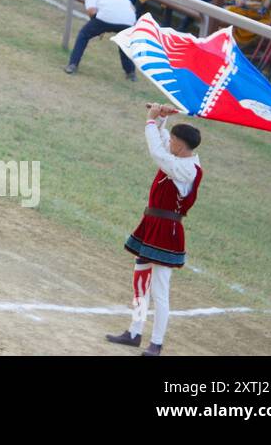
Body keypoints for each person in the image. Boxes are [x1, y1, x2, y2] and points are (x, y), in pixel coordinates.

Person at [106, 104, 202, 357]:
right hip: (152, 225)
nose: (168, 142)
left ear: (180, 146)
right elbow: (164, 146)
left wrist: (150, 122)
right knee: (140, 282)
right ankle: (135, 332)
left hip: (166, 232)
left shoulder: (186, 168)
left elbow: (159, 154)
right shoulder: (180, 158)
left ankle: (156, 343)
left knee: (160, 290)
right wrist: (161, 121)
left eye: (172, 140)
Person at [64, 0, 137, 78]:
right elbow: (132, 8)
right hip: (129, 20)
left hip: (106, 16)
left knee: (83, 35)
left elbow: (91, 11)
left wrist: (100, 27)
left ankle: (72, 64)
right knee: (124, 43)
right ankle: (131, 73)